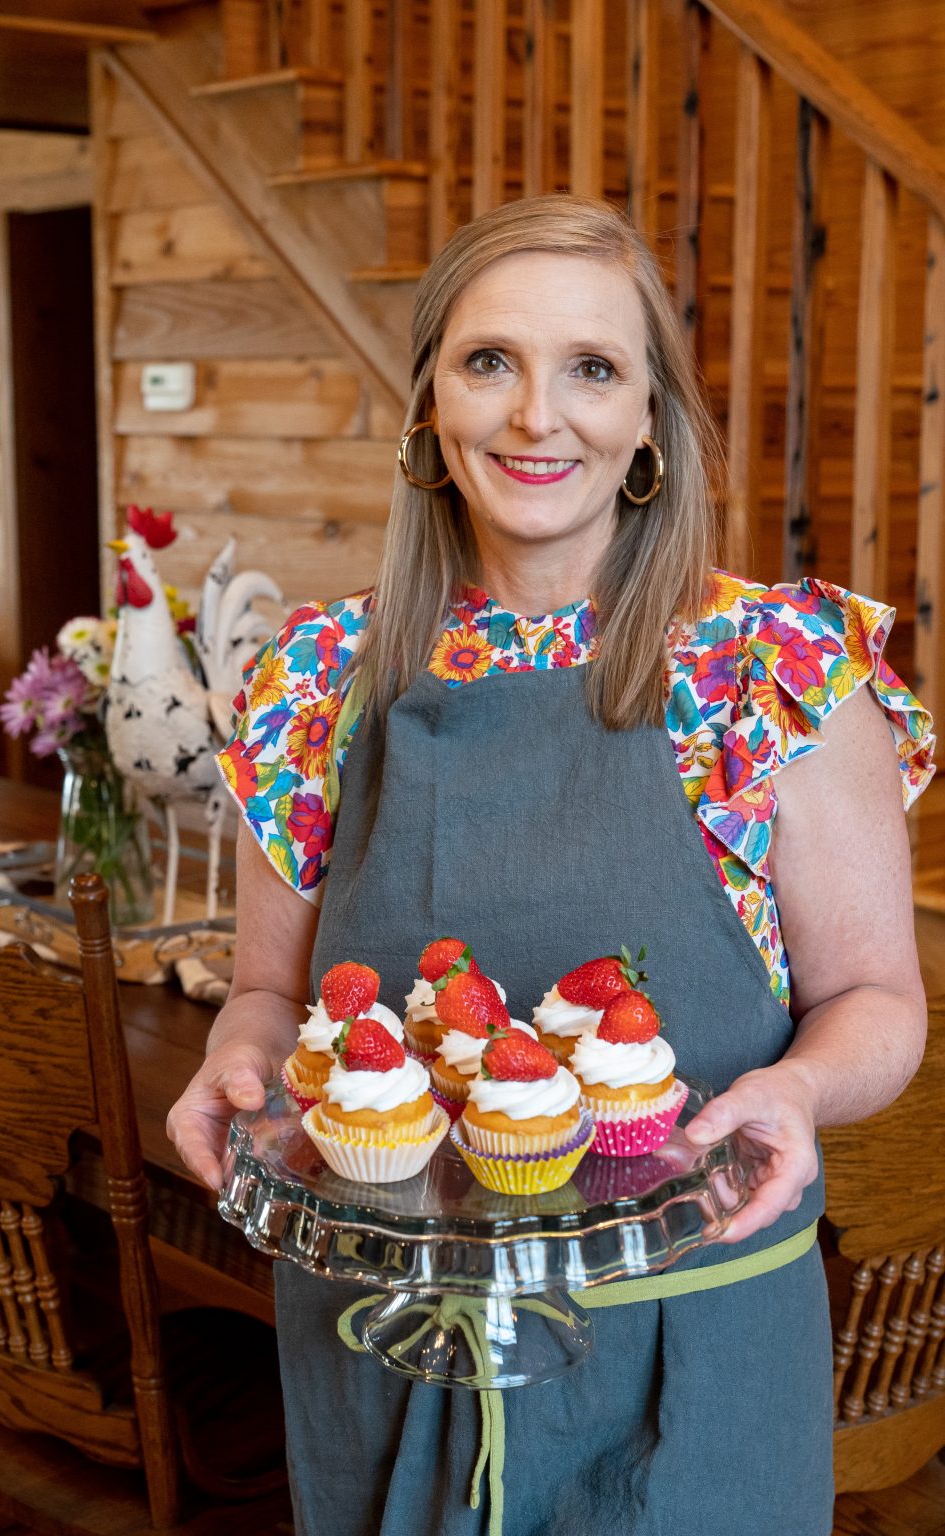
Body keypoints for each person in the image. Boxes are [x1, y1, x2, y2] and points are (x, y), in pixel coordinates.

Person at [166, 195, 934, 1536]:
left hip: (686, 1353)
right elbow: (267, 997)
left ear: (649, 418)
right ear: (428, 404)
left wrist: (801, 1091)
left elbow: (879, 998)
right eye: (489, 363)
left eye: (592, 367)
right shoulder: (314, 677)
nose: (537, 416)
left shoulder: (772, 674)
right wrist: (238, 1063)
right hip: (384, 1342)